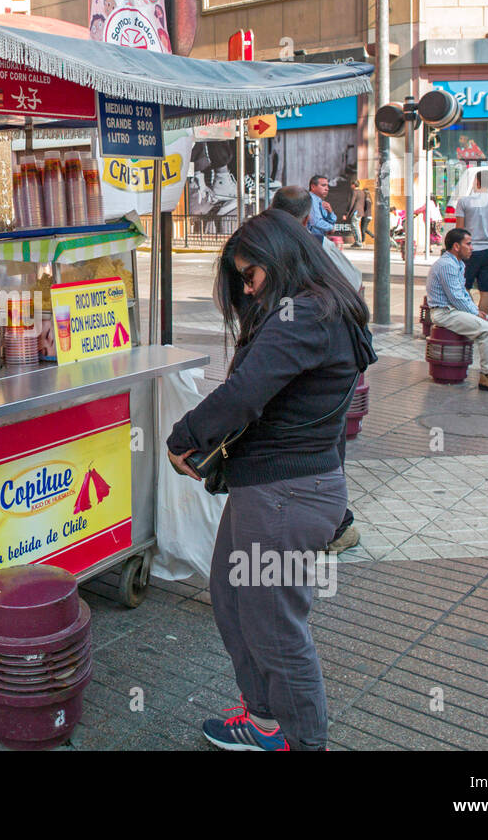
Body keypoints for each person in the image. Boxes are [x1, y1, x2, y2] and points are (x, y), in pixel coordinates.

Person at [166, 210, 376, 751]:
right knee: (234, 598)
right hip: (276, 490)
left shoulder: (304, 315)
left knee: (276, 629)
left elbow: (243, 394)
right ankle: (264, 721)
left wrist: (182, 436)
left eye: (251, 275)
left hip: (286, 497)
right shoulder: (321, 308)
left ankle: (302, 742)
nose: (247, 289)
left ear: (279, 261)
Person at [269, 187, 363, 554]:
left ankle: (320, 523)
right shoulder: (317, 248)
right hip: (313, 370)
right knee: (321, 445)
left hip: (293, 368)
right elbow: (356, 289)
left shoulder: (266, 247)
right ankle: (328, 526)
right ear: (308, 219)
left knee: (301, 443)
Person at [425, 228, 488, 393]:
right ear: (456, 246)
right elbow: (456, 297)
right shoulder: (447, 265)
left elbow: (462, 293)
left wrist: (475, 311)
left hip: (453, 311)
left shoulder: (457, 264)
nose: (472, 248)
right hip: (444, 313)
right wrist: (475, 313)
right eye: (468, 244)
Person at [454, 170, 488, 315]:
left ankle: (472, 314)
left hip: (469, 251)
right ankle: (482, 320)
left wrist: (457, 251)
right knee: (486, 292)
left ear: (477, 181)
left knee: (463, 288)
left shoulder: (464, 202)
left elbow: (459, 230)